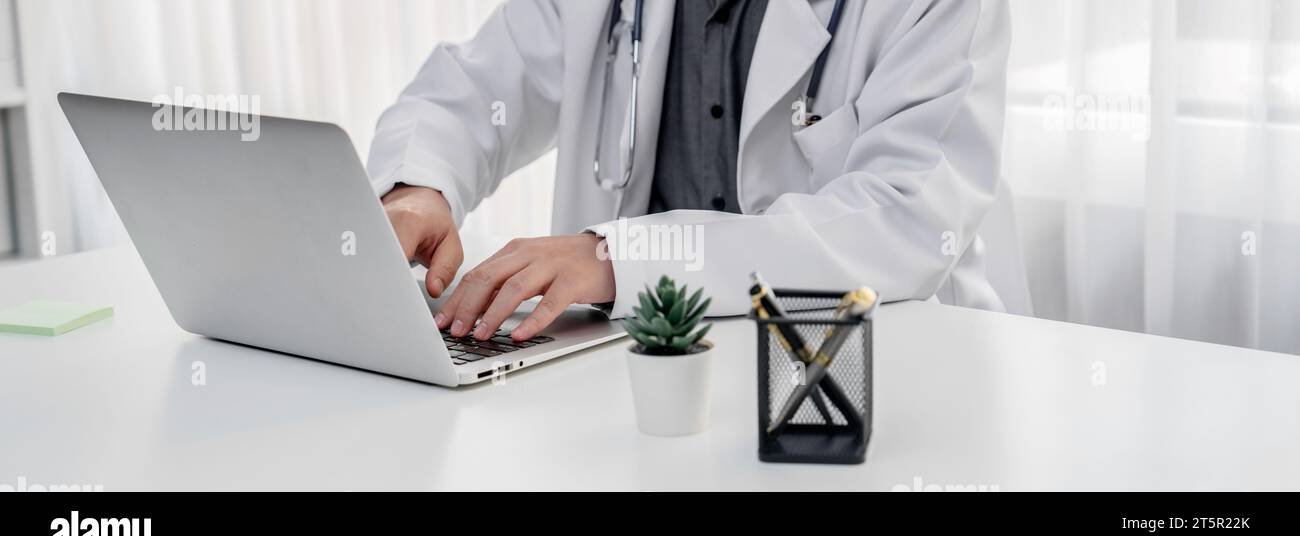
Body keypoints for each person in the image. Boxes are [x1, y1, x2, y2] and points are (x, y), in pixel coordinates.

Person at [368, 0, 1011, 342]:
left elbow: (903, 220)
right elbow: (478, 87)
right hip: (647, 370)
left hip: (866, 378)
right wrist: (419, 186)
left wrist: (624, 258)